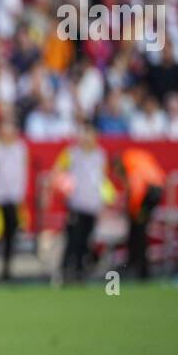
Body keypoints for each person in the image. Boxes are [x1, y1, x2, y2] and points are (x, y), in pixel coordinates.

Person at [50, 121, 109, 283]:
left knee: (86, 240)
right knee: (73, 239)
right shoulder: (71, 153)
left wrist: (104, 201)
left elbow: (101, 181)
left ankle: (81, 271)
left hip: (93, 204)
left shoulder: (100, 155)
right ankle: (66, 271)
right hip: (76, 203)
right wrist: (64, 185)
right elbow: (56, 172)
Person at [0, 115, 28, 282]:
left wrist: (21, 195)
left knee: (11, 235)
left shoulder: (20, 148)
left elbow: (22, 173)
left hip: (13, 197)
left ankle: (6, 270)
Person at [112, 146, 166, 279]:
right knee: (138, 229)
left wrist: (134, 210)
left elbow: (137, 189)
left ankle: (138, 267)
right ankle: (138, 266)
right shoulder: (134, 156)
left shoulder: (129, 162)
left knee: (138, 231)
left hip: (149, 193)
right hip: (155, 190)